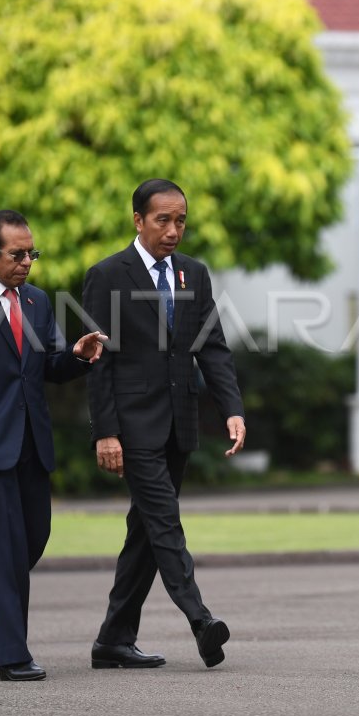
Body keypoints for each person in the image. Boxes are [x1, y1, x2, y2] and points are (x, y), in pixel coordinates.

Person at [0, 209, 106, 682]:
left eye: (33, 253)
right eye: (18, 253)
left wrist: (77, 356)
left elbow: (47, 364)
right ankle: (13, 655)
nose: (28, 261)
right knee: (3, 552)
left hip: (32, 444)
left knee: (34, 539)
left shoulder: (37, 302)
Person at [84, 178, 245, 670]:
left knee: (145, 532)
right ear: (138, 220)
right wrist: (105, 431)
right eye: (163, 220)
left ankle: (113, 639)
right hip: (132, 427)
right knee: (165, 523)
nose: (174, 230)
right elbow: (99, 362)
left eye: (181, 220)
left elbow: (211, 346)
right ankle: (201, 621)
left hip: (179, 423)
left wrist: (232, 408)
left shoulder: (193, 274)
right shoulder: (107, 275)